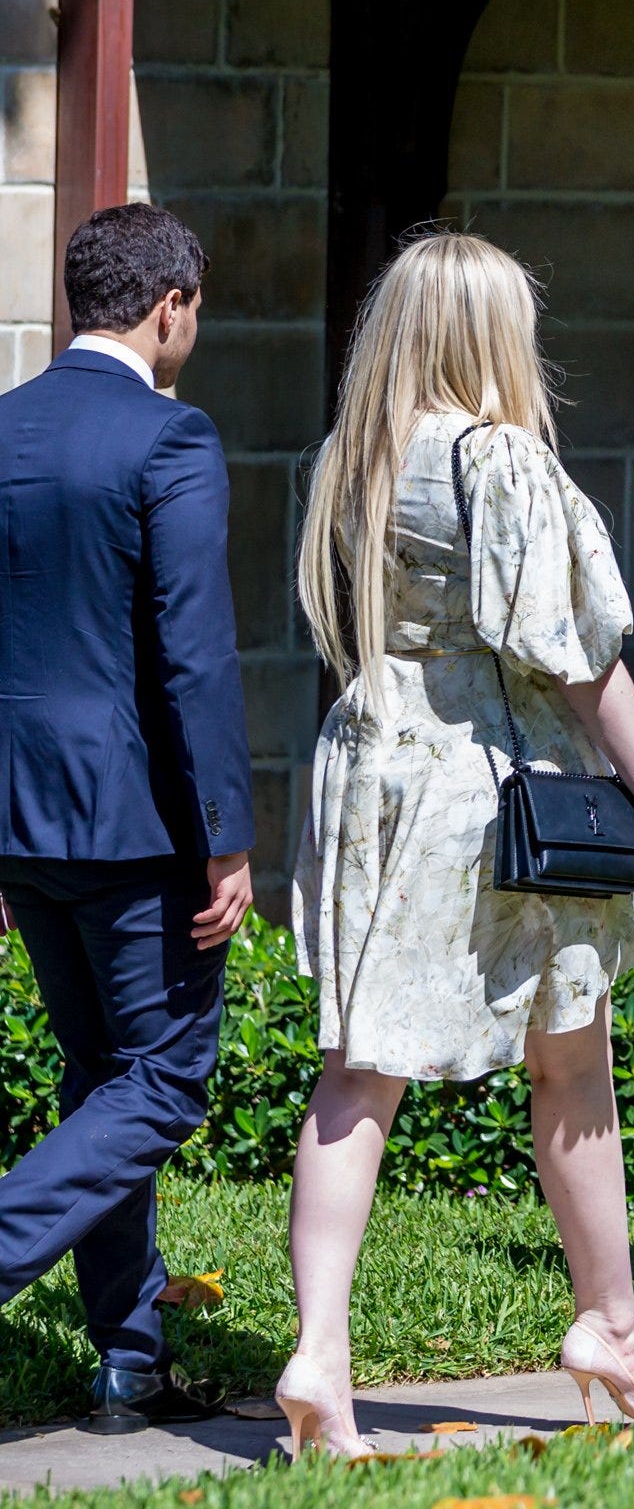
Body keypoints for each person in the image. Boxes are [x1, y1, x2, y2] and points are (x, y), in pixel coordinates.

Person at [279, 230, 634, 1455]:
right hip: (489, 788)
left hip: (370, 764)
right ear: (491, 334)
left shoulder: (353, 458)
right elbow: (581, 660)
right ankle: (611, 1329)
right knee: (571, 1065)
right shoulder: (500, 457)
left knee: (356, 1071)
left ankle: (318, 1357)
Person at [0, 204, 253, 1433]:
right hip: (137, 826)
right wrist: (230, 834)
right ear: (169, 308)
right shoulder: (172, 435)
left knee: (101, 1077)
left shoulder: (3, 427)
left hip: (19, 819)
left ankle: (129, 1360)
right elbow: (196, 652)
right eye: (195, 309)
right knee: (164, 1082)